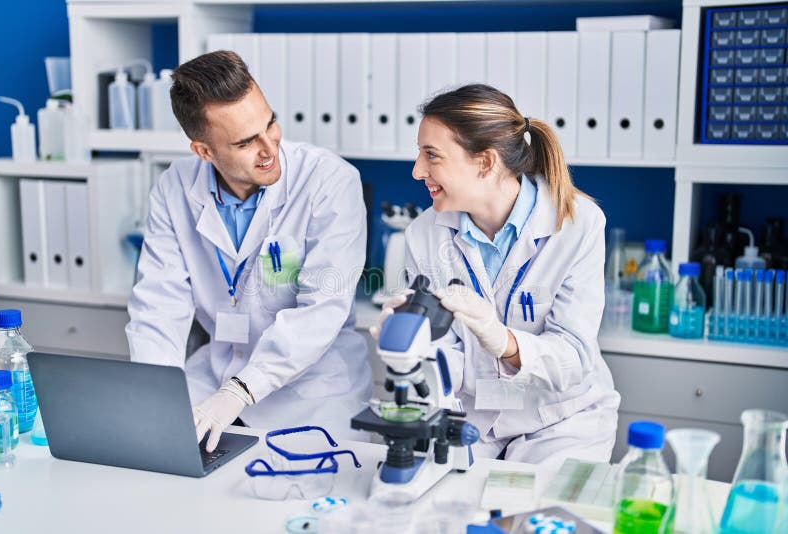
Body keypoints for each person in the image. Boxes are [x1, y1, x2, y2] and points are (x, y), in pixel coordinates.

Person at [126, 51, 371, 451]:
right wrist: (156, 398)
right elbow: (158, 304)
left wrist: (240, 391)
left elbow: (320, 311)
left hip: (312, 390)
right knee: (159, 459)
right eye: (245, 142)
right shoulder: (175, 187)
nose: (269, 147)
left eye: (270, 123)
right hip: (216, 374)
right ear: (204, 151)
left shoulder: (329, 181)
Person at [374, 84, 620, 471]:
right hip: (476, 419)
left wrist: (504, 342)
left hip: (560, 419)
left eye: (431, 155)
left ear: (486, 163)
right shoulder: (424, 234)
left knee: (533, 523)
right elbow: (451, 356)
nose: (417, 171)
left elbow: (574, 359)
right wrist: (415, 344)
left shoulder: (577, 223)